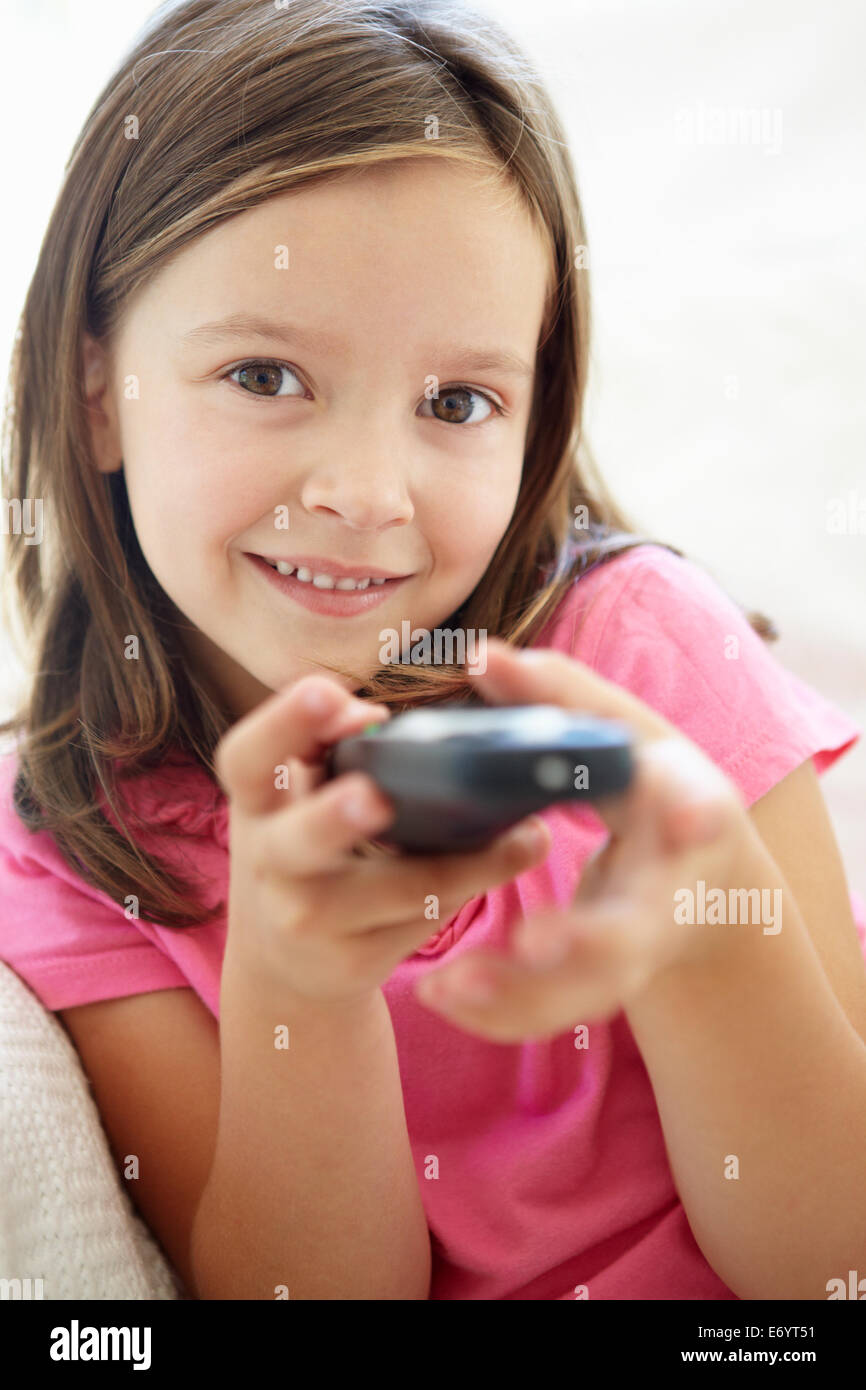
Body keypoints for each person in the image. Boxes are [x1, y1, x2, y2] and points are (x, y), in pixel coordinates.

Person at [1, 0, 864, 1302]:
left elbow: (833, 1267)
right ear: (92, 392)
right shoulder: (74, 846)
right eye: (264, 375)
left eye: (456, 402)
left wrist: (702, 922)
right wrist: (305, 988)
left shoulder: (641, 655)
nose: (366, 489)